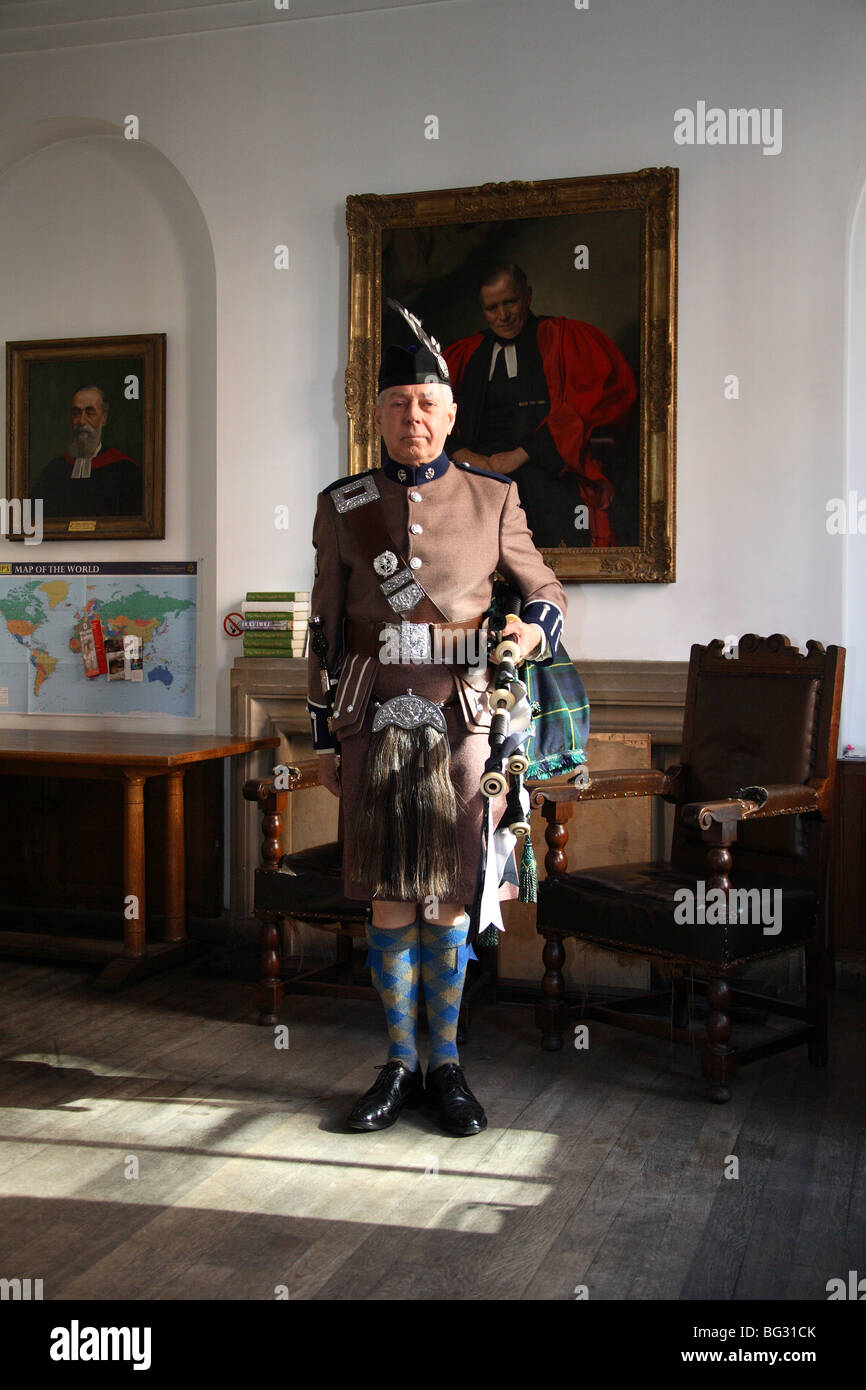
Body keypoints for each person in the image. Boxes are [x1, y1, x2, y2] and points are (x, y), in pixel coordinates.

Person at [307, 311, 566, 1138]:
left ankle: (447, 1064)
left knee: (449, 896)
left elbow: (546, 590)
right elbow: (321, 629)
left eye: (427, 404)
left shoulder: (495, 498)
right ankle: (396, 1065)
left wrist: (530, 630)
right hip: (370, 714)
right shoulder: (343, 503)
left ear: (450, 414)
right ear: (376, 416)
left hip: (462, 724)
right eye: (396, 405)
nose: (412, 418)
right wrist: (320, 741)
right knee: (388, 897)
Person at [444, 263, 636, 547]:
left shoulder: (565, 338)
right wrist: (463, 454)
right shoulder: (463, 354)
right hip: (479, 479)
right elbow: (431, 418)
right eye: (492, 308)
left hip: (551, 474)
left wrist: (523, 454)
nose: (503, 316)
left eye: (510, 302)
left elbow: (592, 407)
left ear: (528, 296)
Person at [36, 385, 142, 518]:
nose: (82, 421)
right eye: (76, 414)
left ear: (104, 418)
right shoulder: (53, 471)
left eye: (90, 413)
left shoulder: (126, 472)